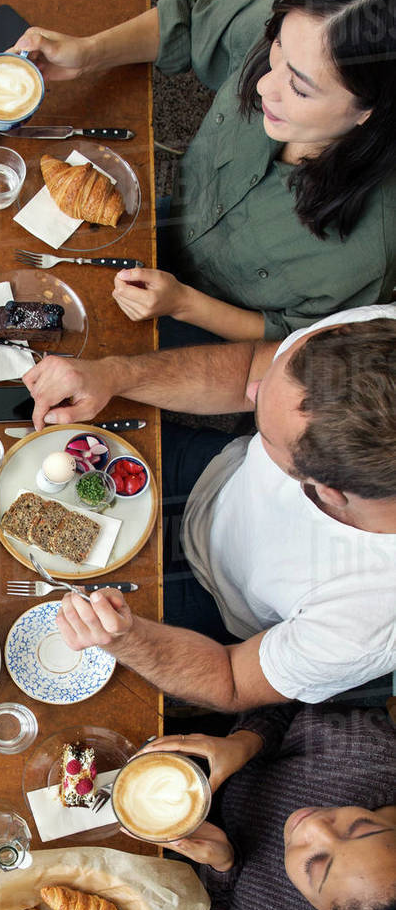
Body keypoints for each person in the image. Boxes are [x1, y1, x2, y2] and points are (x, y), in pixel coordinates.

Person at [13, 0, 396, 344]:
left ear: (373, 108)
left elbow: (291, 341)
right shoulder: (307, 26)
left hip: (209, 324)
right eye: (277, 46)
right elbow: (190, 24)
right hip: (160, 219)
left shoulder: (370, 251)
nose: (265, 85)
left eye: (300, 88)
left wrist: (182, 304)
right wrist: (88, 53)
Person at [24, 303, 396, 712]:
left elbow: (234, 680)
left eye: (266, 432)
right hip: (212, 474)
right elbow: (248, 372)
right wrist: (114, 375)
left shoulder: (367, 619)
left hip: (212, 610)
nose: (254, 393)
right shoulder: (367, 342)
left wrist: (126, 639)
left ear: (327, 492)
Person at [131, 704, 396, 910]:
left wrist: (223, 865)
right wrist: (244, 743)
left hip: (192, 844)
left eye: (315, 866)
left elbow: (221, 906)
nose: (313, 825)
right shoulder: (374, 754)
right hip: (229, 745)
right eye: (361, 828)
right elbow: (283, 703)